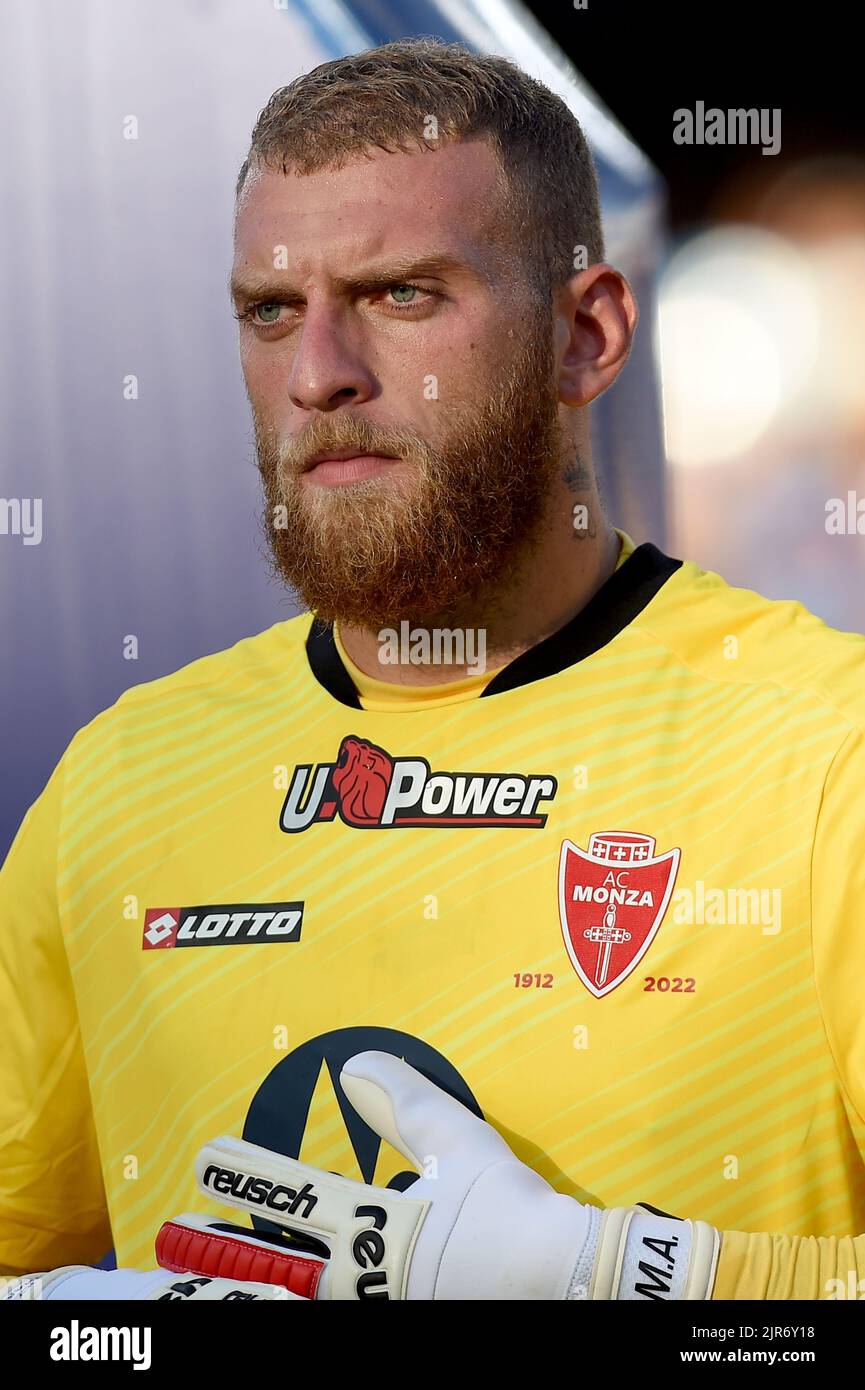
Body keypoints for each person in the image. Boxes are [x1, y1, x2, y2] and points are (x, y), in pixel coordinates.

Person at [1, 38, 863, 1302]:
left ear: (585, 336)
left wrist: (627, 1275)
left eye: (402, 295)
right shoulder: (120, 783)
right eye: (270, 311)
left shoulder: (822, 751)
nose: (317, 377)